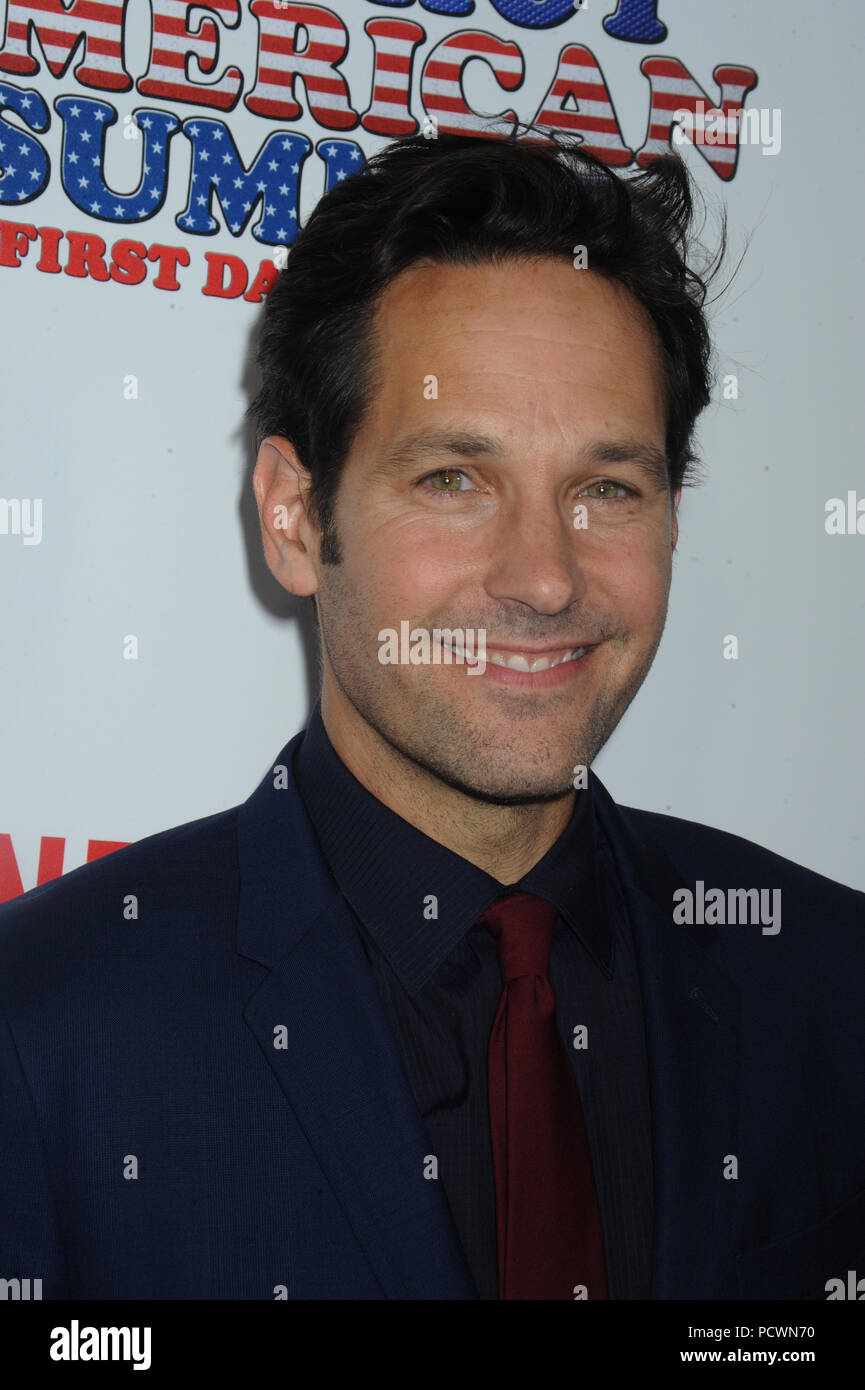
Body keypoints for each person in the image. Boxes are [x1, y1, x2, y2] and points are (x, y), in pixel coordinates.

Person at [1, 126, 863, 1302]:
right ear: (297, 519)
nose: (545, 578)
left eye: (606, 488)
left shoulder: (826, 980)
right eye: (454, 479)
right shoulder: (45, 1029)